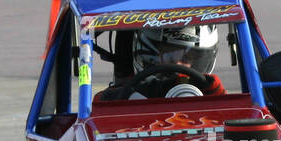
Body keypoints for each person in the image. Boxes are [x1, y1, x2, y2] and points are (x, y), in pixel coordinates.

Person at [97, 25, 226, 101]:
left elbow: (234, 113)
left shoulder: (212, 91)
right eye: (170, 55)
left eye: (188, 57)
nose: (179, 64)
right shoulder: (126, 94)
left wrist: (212, 92)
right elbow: (98, 108)